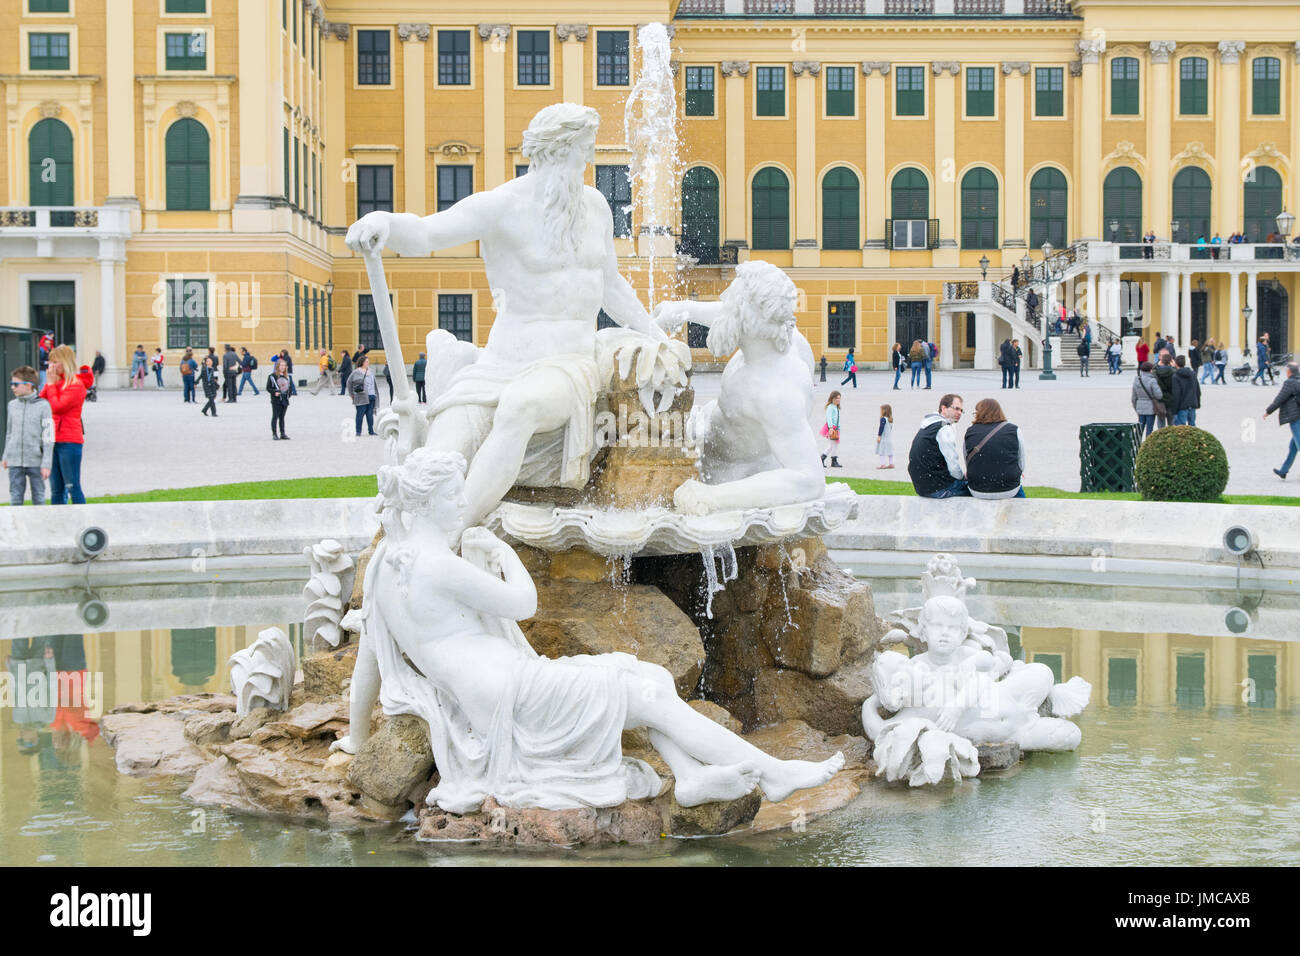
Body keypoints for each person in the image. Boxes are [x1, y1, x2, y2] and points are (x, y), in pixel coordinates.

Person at [39, 345, 87, 504]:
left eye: (55, 362)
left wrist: (51, 385)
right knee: (56, 489)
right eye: (50, 362)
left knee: (72, 486)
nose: (51, 366)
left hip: (69, 440)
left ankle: (83, 520)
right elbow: (40, 403)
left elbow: (57, 406)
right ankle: (57, 523)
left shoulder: (76, 385)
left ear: (66, 362)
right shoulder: (54, 383)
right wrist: (49, 384)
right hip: (52, 439)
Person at [3, 365, 52, 505]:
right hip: (15, 461)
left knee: (39, 496)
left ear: (29, 385)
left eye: (16, 384)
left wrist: (46, 464)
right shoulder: (12, 405)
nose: (12, 387)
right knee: (16, 496)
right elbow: (9, 433)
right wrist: (6, 456)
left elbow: (48, 437)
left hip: (36, 461)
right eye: (12, 384)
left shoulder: (44, 406)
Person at [908, 393, 969, 498]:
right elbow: (952, 464)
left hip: (922, 487)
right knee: (978, 490)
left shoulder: (927, 425)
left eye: (961, 410)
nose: (959, 413)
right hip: (939, 487)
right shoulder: (944, 428)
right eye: (956, 409)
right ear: (943, 408)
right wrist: (962, 477)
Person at [964, 398, 1026, 499]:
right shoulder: (1014, 430)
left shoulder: (970, 432)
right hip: (1009, 489)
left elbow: (968, 462)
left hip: (978, 489)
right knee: (1020, 498)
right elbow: (1022, 463)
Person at [1265, 363, 1300, 480]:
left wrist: (1268, 411)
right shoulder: (1298, 381)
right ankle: (1283, 471)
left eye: (1287, 371)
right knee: (1293, 446)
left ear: (1290, 372)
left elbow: (1280, 399)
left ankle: (1284, 470)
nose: (1286, 372)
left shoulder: (1290, 383)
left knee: (1298, 444)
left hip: (1296, 418)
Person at [1131, 360, 1162, 438]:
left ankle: (1137, 444)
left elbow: (1133, 397)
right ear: (1150, 370)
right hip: (1150, 407)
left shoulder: (1136, 380)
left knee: (1140, 428)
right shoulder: (1152, 380)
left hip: (1140, 406)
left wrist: (1136, 407)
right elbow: (1159, 395)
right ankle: (1147, 445)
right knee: (1149, 428)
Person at [349, 354, 377, 436]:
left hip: (371, 395)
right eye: (367, 361)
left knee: (370, 415)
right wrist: (351, 394)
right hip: (361, 396)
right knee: (360, 414)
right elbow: (349, 382)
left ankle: (371, 431)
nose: (368, 363)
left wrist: (375, 394)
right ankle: (358, 431)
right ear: (362, 362)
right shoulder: (356, 372)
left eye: (368, 361)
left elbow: (373, 383)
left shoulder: (371, 371)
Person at [1171, 355, 1202, 426]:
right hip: (1192, 404)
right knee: (1192, 425)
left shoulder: (1175, 376)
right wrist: (1197, 403)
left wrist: (1174, 410)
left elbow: (1176, 394)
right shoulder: (1193, 374)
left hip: (1182, 405)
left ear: (1176, 363)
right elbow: (1198, 390)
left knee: (1181, 427)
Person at [267, 358, 292, 440]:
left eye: (284, 366)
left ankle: (282, 433)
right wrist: (274, 392)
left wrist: (289, 394)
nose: (283, 367)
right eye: (281, 365)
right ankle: (274, 434)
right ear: (278, 366)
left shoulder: (286, 377)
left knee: (282, 417)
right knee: (275, 416)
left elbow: (288, 388)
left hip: (285, 399)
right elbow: (268, 388)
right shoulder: (272, 376)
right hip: (276, 400)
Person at [1153, 352, 1176, 428]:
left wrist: (1157, 365)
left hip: (1160, 398)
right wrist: (1174, 367)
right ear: (1171, 362)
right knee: (1171, 422)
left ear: (1161, 361)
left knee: (1160, 421)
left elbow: (1152, 372)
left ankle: (1160, 436)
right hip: (1171, 398)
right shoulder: (1173, 372)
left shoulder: (1156, 372)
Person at [820, 390, 842, 468]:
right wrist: (831, 428)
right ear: (832, 398)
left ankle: (826, 459)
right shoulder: (830, 407)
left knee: (833, 445)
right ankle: (832, 461)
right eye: (837, 398)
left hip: (836, 429)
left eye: (839, 398)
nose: (838, 400)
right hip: (832, 428)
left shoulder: (836, 407)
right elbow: (829, 418)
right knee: (833, 445)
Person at [876, 403, 894, 469]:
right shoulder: (890, 419)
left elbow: (881, 428)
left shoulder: (883, 419)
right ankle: (891, 463)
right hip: (889, 438)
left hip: (884, 438)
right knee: (890, 451)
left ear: (884, 411)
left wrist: (879, 436)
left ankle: (882, 464)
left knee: (881, 451)